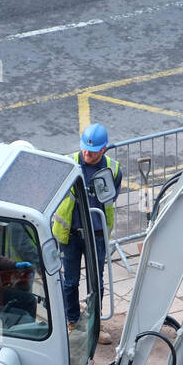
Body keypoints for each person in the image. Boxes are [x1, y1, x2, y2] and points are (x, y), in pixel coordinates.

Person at [53, 122, 122, 344]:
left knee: (96, 283)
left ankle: (94, 325)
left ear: (104, 149)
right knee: (70, 282)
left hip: (96, 235)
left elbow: (109, 200)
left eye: (92, 151)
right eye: (84, 148)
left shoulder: (114, 169)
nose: (86, 153)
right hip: (70, 234)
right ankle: (72, 321)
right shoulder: (69, 163)